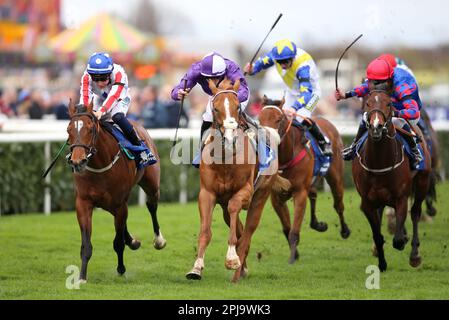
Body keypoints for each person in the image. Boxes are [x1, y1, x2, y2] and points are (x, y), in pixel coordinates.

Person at [244, 39, 332, 156]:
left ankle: (323, 142)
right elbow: (261, 64)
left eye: (286, 61)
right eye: (280, 62)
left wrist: (295, 108)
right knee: (280, 118)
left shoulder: (303, 67)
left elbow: (306, 93)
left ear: (293, 58)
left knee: (301, 118)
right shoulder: (275, 57)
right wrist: (252, 69)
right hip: (292, 92)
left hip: (311, 93)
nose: (283, 64)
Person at [335, 57, 423, 168]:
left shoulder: (402, 86)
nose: (374, 85)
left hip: (404, 111)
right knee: (366, 116)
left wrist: (394, 114)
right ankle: (354, 147)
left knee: (397, 122)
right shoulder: (378, 79)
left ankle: (414, 151)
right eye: (372, 81)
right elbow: (364, 87)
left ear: (388, 80)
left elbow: (413, 112)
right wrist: (346, 95)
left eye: (377, 83)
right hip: (385, 105)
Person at [171, 52, 252, 166]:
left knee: (230, 115)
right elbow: (177, 89)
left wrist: (227, 102)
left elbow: (243, 91)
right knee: (208, 116)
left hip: (236, 96)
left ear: (223, 72)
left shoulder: (231, 67)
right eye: (209, 78)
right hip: (216, 97)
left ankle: (262, 149)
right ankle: (201, 150)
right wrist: (178, 94)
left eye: (216, 77)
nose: (213, 81)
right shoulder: (196, 70)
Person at [80, 52, 155, 163]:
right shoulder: (86, 76)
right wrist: (86, 113)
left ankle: (142, 149)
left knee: (117, 117)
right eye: (96, 79)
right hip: (99, 97)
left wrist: (101, 111)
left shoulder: (119, 73)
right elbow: (85, 96)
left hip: (120, 97)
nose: (100, 83)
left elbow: (114, 96)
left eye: (103, 78)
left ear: (110, 73)